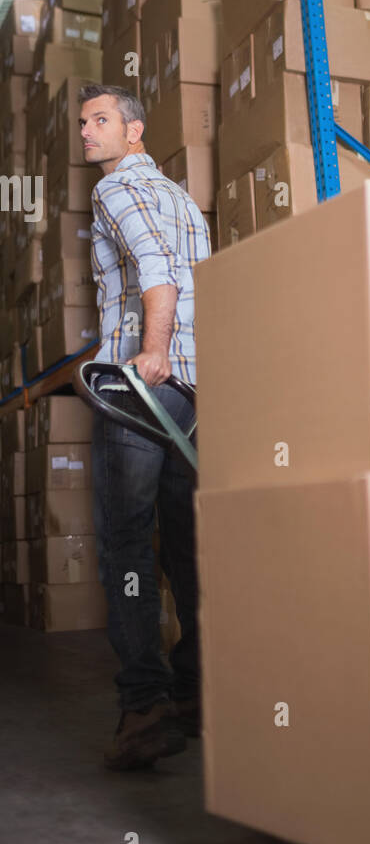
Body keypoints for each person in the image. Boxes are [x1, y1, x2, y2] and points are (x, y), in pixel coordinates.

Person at [79, 82, 211, 771]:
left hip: (141, 389)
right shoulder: (185, 203)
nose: (86, 133)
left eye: (101, 120)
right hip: (190, 394)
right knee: (186, 544)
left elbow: (155, 272)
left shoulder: (115, 191)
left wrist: (150, 352)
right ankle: (197, 689)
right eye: (81, 122)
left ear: (134, 131)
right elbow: (196, 278)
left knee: (127, 546)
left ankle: (145, 705)